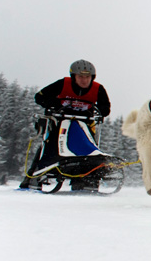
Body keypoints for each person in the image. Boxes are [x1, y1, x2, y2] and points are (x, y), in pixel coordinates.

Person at [20, 60, 112, 190]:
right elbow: (40, 97)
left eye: (87, 77)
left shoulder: (98, 89)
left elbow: (105, 109)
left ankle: (85, 180)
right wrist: (53, 104)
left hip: (84, 125)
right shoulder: (63, 84)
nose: (84, 80)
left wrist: (100, 110)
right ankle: (33, 177)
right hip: (59, 124)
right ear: (73, 76)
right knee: (48, 147)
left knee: (87, 150)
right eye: (80, 77)